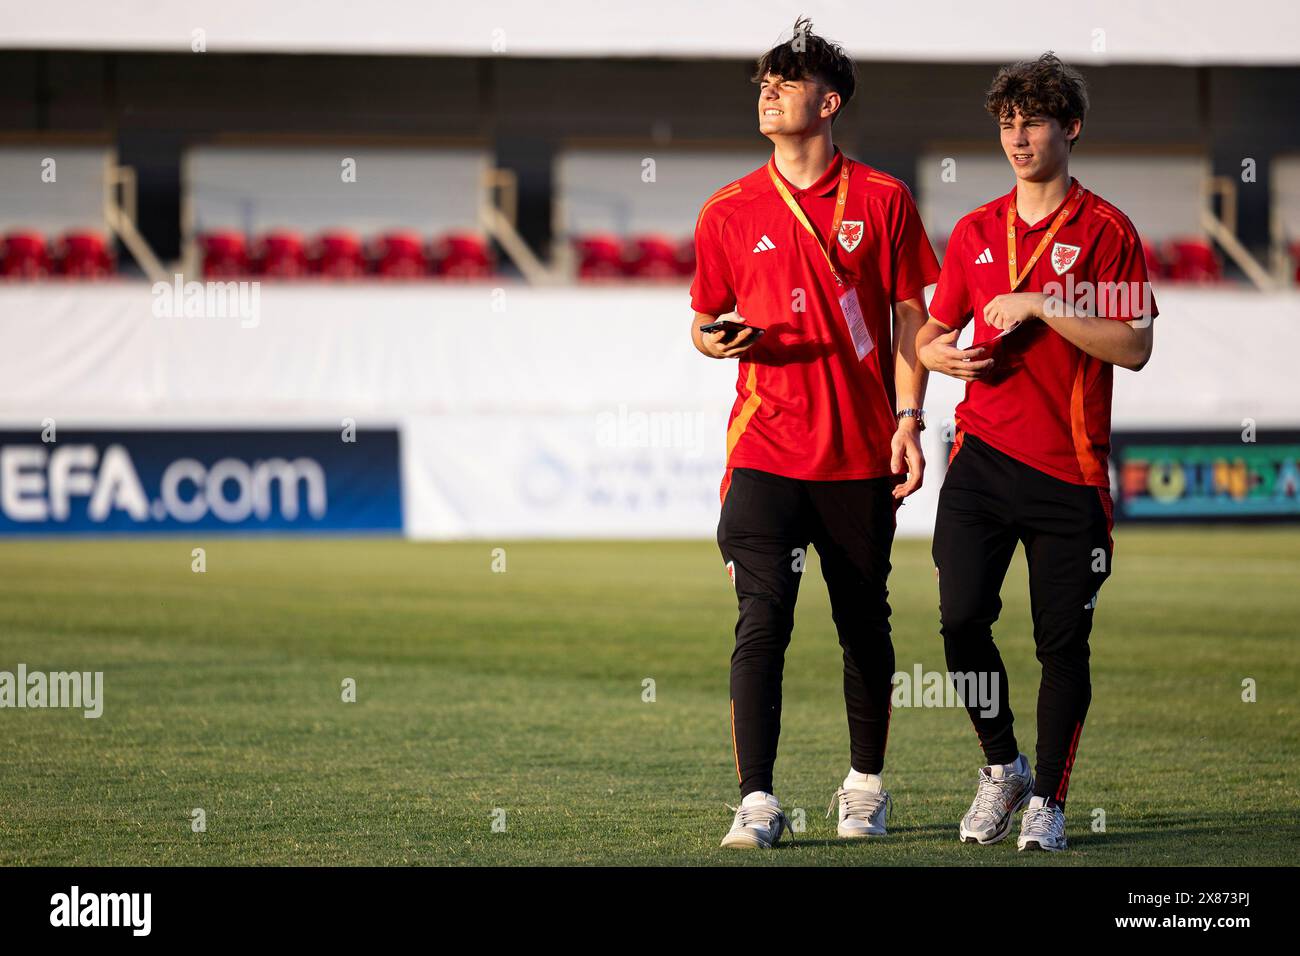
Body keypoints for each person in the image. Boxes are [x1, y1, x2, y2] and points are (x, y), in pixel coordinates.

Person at [690, 18, 940, 849]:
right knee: (762, 620)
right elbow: (701, 320)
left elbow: (913, 318)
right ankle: (755, 801)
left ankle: (865, 786)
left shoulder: (884, 199)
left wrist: (910, 418)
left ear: (829, 102)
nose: (767, 91)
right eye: (763, 81)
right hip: (763, 449)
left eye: (786, 81)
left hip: (861, 451)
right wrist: (713, 337)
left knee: (864, 621)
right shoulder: (726, 210)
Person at [917, 52, 1156, 851]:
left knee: (1061, 644)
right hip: (980, 459)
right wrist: (937, 355)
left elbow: (1134, 347)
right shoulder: (976, 230)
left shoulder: (1107, 231)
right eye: (1007, 124)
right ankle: (1002, 768)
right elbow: (927, 332)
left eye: (1034, 122)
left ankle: (1049, 799)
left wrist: (1046, 306)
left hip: (1070, 473)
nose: (1017, 138)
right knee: (958, 621)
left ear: (1071, 127)